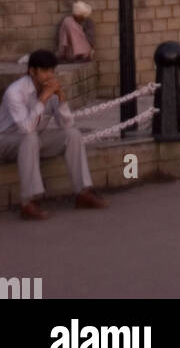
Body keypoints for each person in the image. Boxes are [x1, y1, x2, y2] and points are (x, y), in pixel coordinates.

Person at [0, 49, 108, 220]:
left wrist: (61, 99)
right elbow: (27, 129)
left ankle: (83, 192)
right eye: (44, 71)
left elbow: (67, 124)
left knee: (72, 134)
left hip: (33, 141)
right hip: (6, 142)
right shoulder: (15, 92)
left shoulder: (49, 90)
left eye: (52, 71)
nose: (49, 75)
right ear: (32, 71)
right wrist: (42, 99)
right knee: (30, 138)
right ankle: (28, 203)